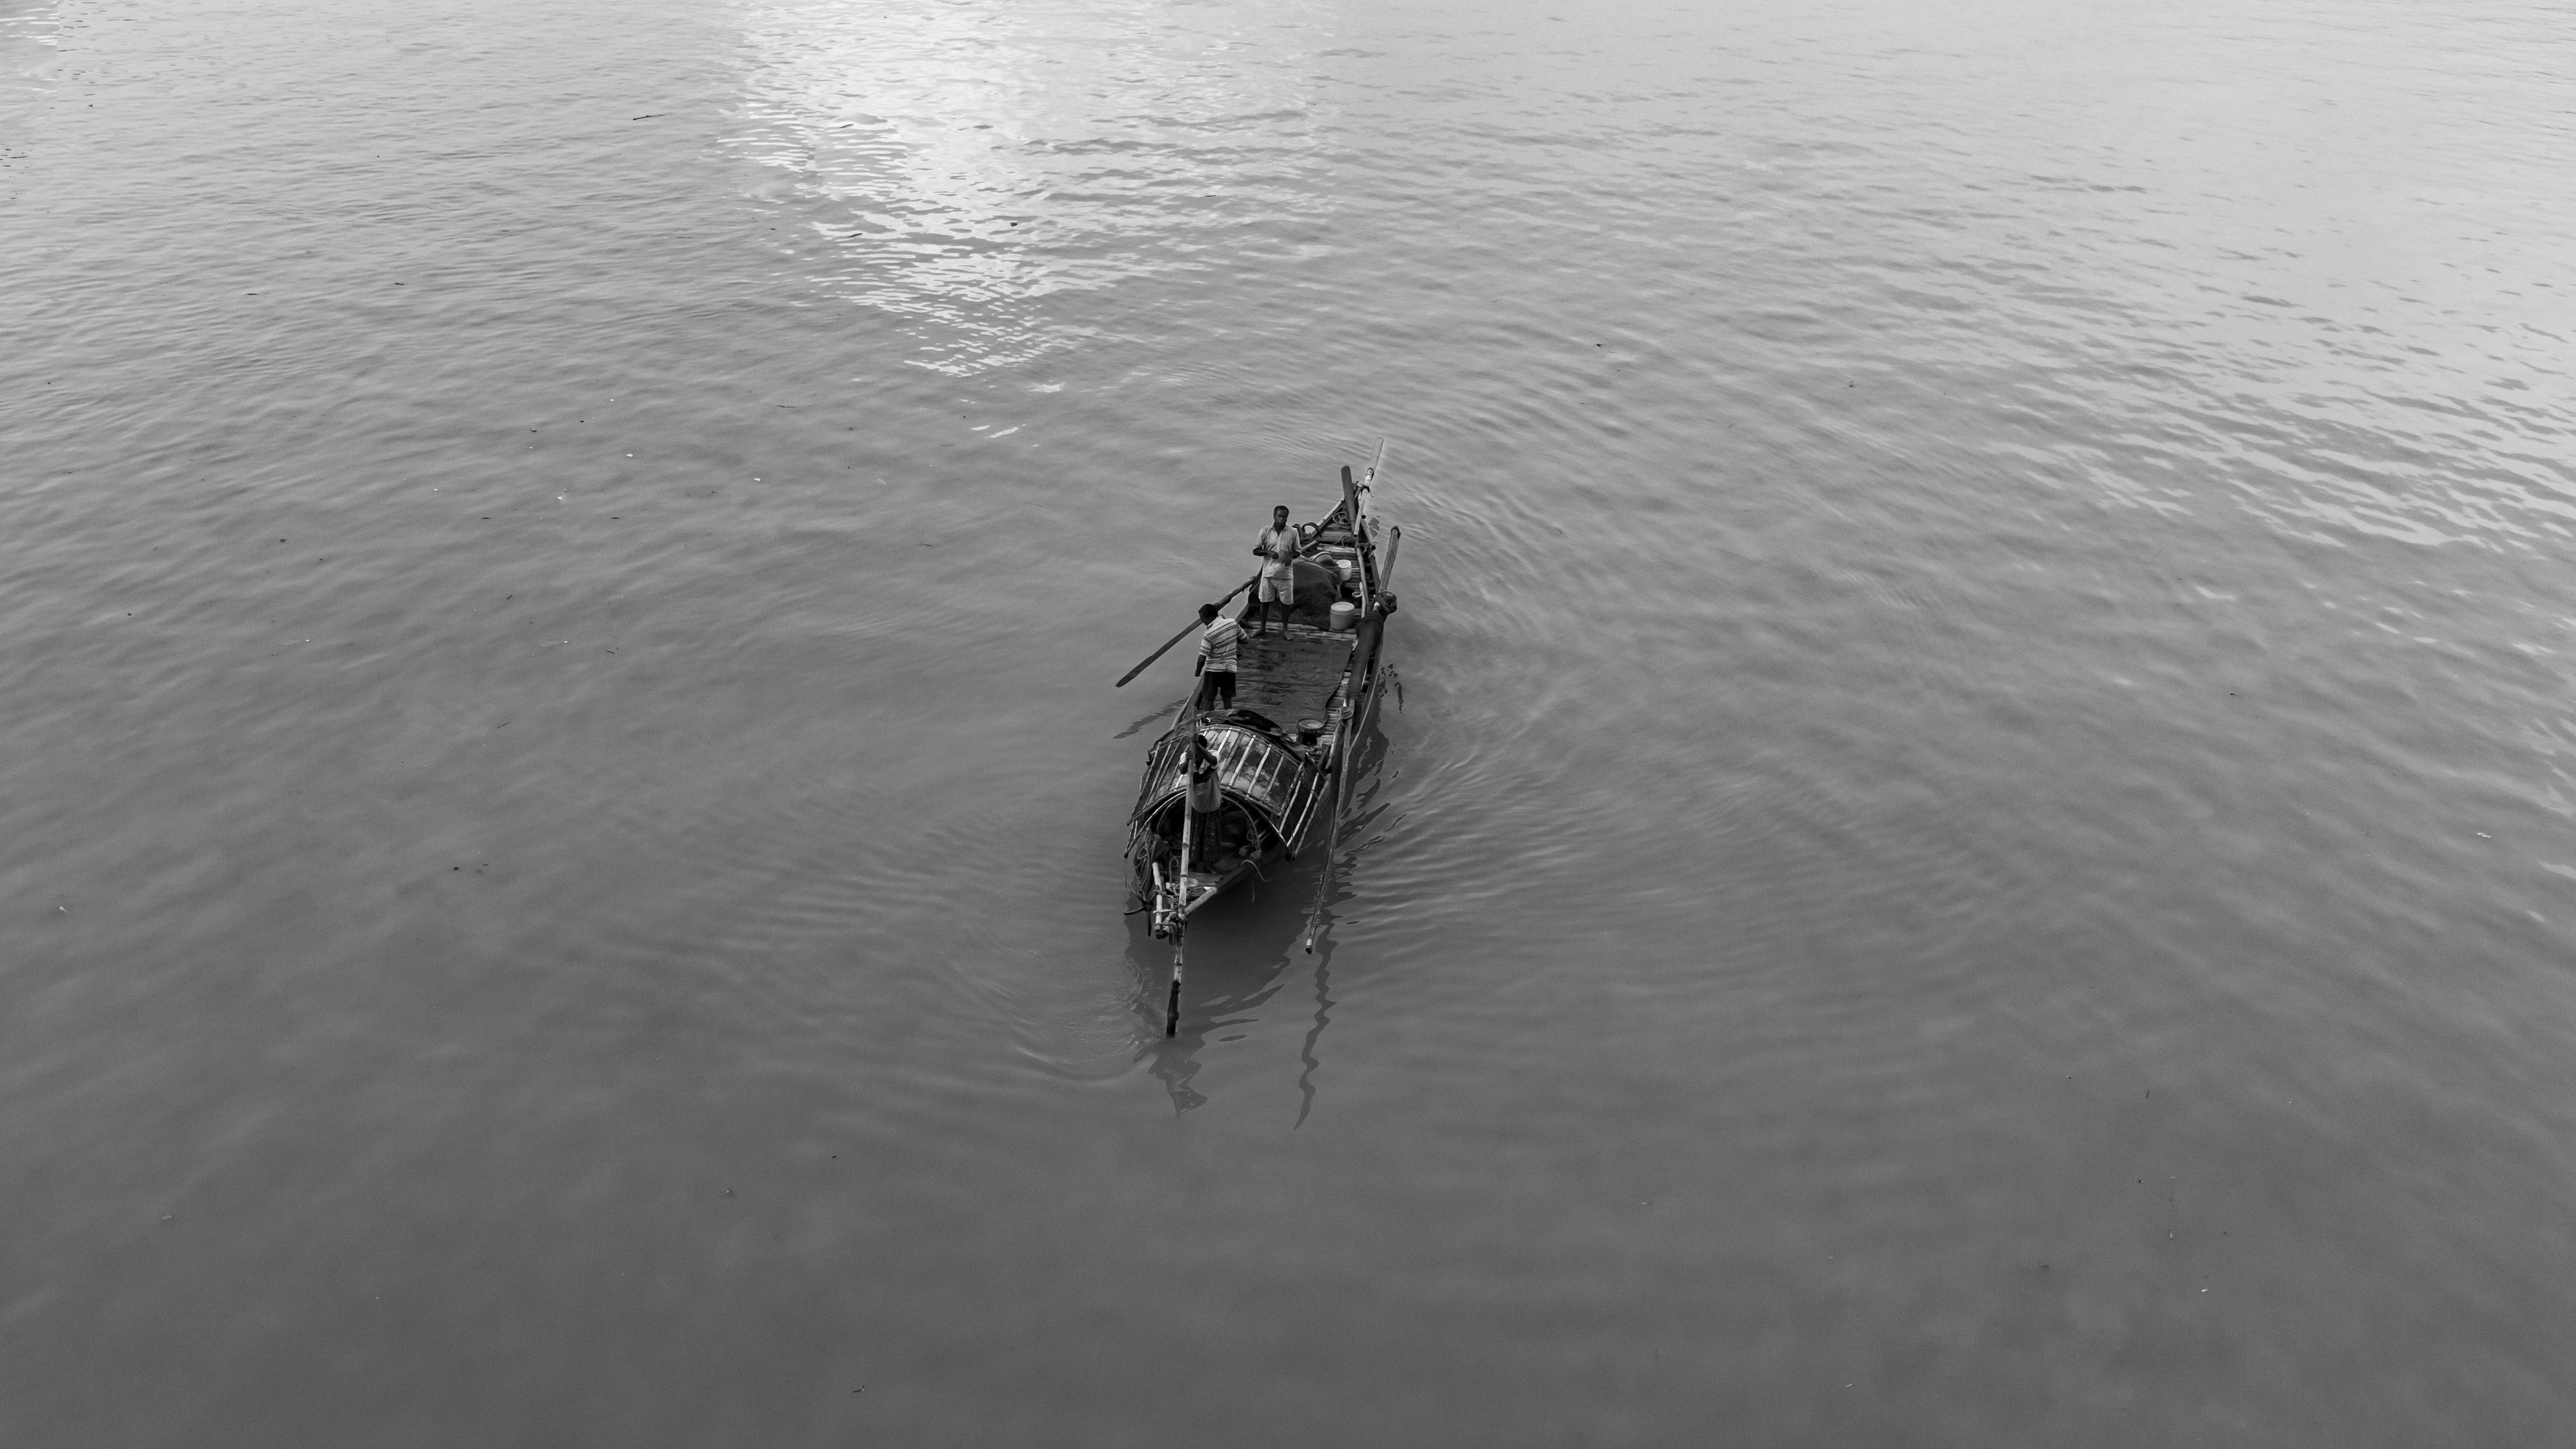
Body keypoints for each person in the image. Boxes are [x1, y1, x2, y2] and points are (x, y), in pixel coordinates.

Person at [1252, 504, 1301, 636]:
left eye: (1284, 517)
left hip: (1285, 574)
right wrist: (1268, 552)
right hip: (1268, 573)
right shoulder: (1265, 531)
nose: (1282, 519)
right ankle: (1262, 628)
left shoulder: (1293, 533)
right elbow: (1256, 550)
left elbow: (1298, 551)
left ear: (1287, 518)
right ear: (1274, 516)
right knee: (1265, 601)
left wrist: (1289, 557)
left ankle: (1285, 629)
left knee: (1286, 603)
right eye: (1279, 516)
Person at [1193, 601, 1241, 711]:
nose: (1202, 622)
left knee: (1209, 698)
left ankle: (1209, 720)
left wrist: (1198, 671)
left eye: (1203, 619)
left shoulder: (1208, 634)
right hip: (1230, 668)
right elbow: (1245, 638)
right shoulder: (1233, 623)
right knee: (1227, 697)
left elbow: (1202, 658)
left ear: (1210, 618)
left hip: (1214, 670)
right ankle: (1227, 718)